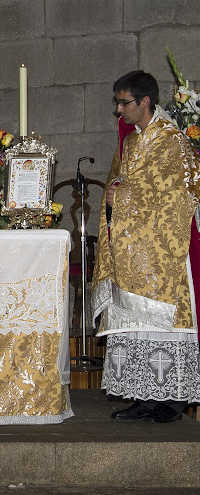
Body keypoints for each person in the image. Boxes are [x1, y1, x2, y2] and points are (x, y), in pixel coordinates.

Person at [92, 70, 200, 422]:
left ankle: (170, 401)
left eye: (124, 103)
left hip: (162, 255)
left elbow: (178, 198)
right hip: (130, 251)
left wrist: (120, 198)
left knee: (160, 326)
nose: (119, 110)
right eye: (117, 103)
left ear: (145, 102)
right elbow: (118, 182)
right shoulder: (132, 141)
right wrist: (112, 200)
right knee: (135, 323)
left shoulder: (173, 142)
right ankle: (143, 396)